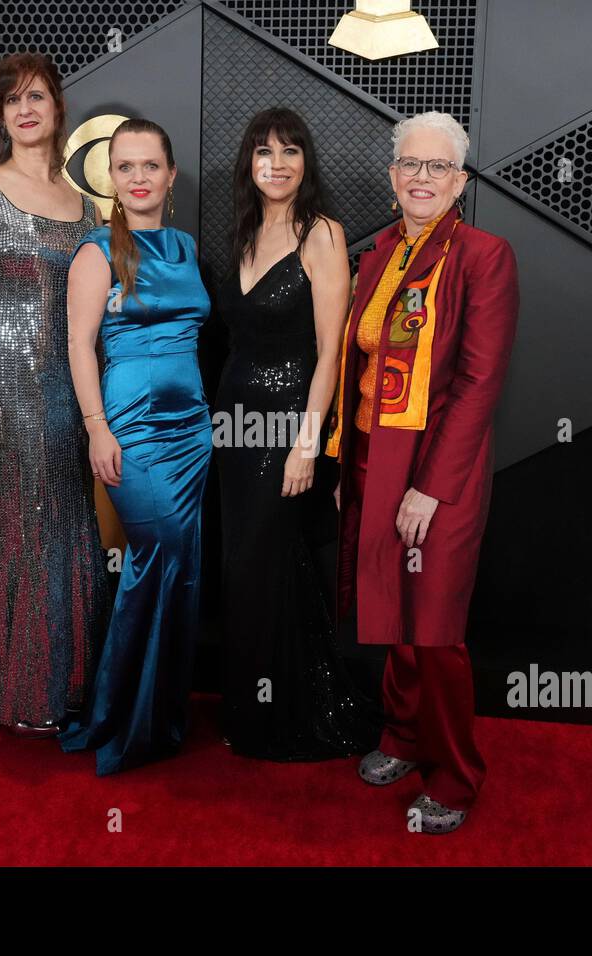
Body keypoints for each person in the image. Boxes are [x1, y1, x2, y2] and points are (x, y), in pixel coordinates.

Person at [326, 111, 520, 833]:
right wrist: (349, 457)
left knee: (434, 626)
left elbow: (478, 384)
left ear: (460, 181)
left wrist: (430, 487)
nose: (420, 177)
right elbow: (358, 363)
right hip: (375, 453)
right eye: (409, 164)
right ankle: (404, 736)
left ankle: (458, 775)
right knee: (395, 615)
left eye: (437, 167)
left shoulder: (482, 256)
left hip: (442, 468)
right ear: (391, 176)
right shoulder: (378, 256)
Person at [0, 53, 110, 737]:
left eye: (36, 95)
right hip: (3, 399)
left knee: (70, 531)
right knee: (15, 536)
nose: (25, 108)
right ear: (0, 115)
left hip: (71, 396)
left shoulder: (89, 206)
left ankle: (69, 684)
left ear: (57, 106)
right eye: (11, 100)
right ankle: (17, 692)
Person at [213, 107, 381, 760]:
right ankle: (249, 713)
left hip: (289, 425)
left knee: (272, 563)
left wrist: (308, 444)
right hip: (233, 424)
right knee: (243, 568)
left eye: (289, 151)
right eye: (263, 152)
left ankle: (288, 715)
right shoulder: (243, 232)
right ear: (248, 165)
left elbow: (331, 353)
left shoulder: (324, 235)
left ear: (306, 162)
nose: (275, 164)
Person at [58, 119, 213, 775]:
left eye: (151, 165)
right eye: (126, 167)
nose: (140, 177)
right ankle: (118, 714)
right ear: (111, 178)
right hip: (133, 428)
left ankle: (160, 715)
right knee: (157, 557)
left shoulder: (184, 245)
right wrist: (96, 425)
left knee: (183, 568)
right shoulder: (98, 252)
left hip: (193, 431)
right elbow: (78, 343)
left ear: (170, 175)